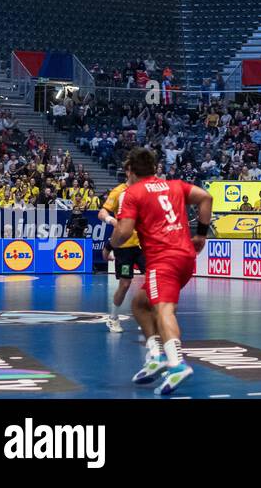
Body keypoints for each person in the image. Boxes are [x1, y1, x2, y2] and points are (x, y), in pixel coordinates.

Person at [109, 146, 214, 396]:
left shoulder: (132, 193)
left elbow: (123, 233)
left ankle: (177, 363)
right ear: (155, 168)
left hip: (162, 258)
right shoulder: (175, 185)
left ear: (130, 171)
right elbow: (206, 197)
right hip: (186, 257)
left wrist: (111, 244)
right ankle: (155, 355)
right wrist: (201, 233)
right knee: (140, 304)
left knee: (163, 309)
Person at [98, 170, 147, 333]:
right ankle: (112, 318)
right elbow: (102, 212)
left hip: (143, 245)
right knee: (125, 284)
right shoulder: (118, 191)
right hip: (124, 246)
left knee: (152, 279)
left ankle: (145, 316)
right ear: (128, 172)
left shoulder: (145, 190)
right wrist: (111, 220)